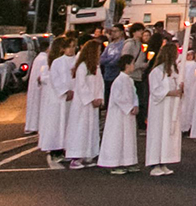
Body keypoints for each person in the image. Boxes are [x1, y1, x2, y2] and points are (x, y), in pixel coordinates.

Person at [144, 42, 185, 177]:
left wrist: (181, 90)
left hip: (170, 108)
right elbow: (155, 91)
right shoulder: (157, 71)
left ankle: (164, 161)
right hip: (160, 109)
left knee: (167, 133)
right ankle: (155, 163)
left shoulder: (175, 71)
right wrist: (170, 93)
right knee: (158, 133)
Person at [64, 40, 105, 169]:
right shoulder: (82, 67)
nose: (99, 53)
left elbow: (100, 84)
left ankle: (88, 154)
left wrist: (99, 98)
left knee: (90, 129)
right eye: (98, 51)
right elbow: (81, 86)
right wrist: (91, 99)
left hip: (92, 105)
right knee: (80, 129)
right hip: (83, 105)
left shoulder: (95, 67)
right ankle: (76, 157)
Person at [97, 61, 140, 174]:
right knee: (117, 138)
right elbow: (117, 97)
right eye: (132, 64)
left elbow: (134, 94)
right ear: (126, 65)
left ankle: (128, 161)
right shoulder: (118, 80)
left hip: (127, 115)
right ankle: (114, 163)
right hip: (118, 115)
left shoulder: (130, 80)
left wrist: (135, 105)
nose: (133, 66)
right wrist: (129, 107)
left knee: (128, 138)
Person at [39, 37, 74, 167]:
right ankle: (56, 150)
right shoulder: (57, 62)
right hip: (58, 98)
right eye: (69, 46)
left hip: (72, 98)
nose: (71, 49)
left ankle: (67, 149)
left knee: (68, 124)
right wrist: (65, 91)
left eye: (73, 46)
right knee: (56, 124)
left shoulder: (76, 61)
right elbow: (55, 79)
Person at [24, 38, 50, 135]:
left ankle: (31, 125)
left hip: (34, 86)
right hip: (39, 86)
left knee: (33, 106)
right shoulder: (44, 59)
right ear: (47, 48)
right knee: (37, 107)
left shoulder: (38, 58)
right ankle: (35, 126)